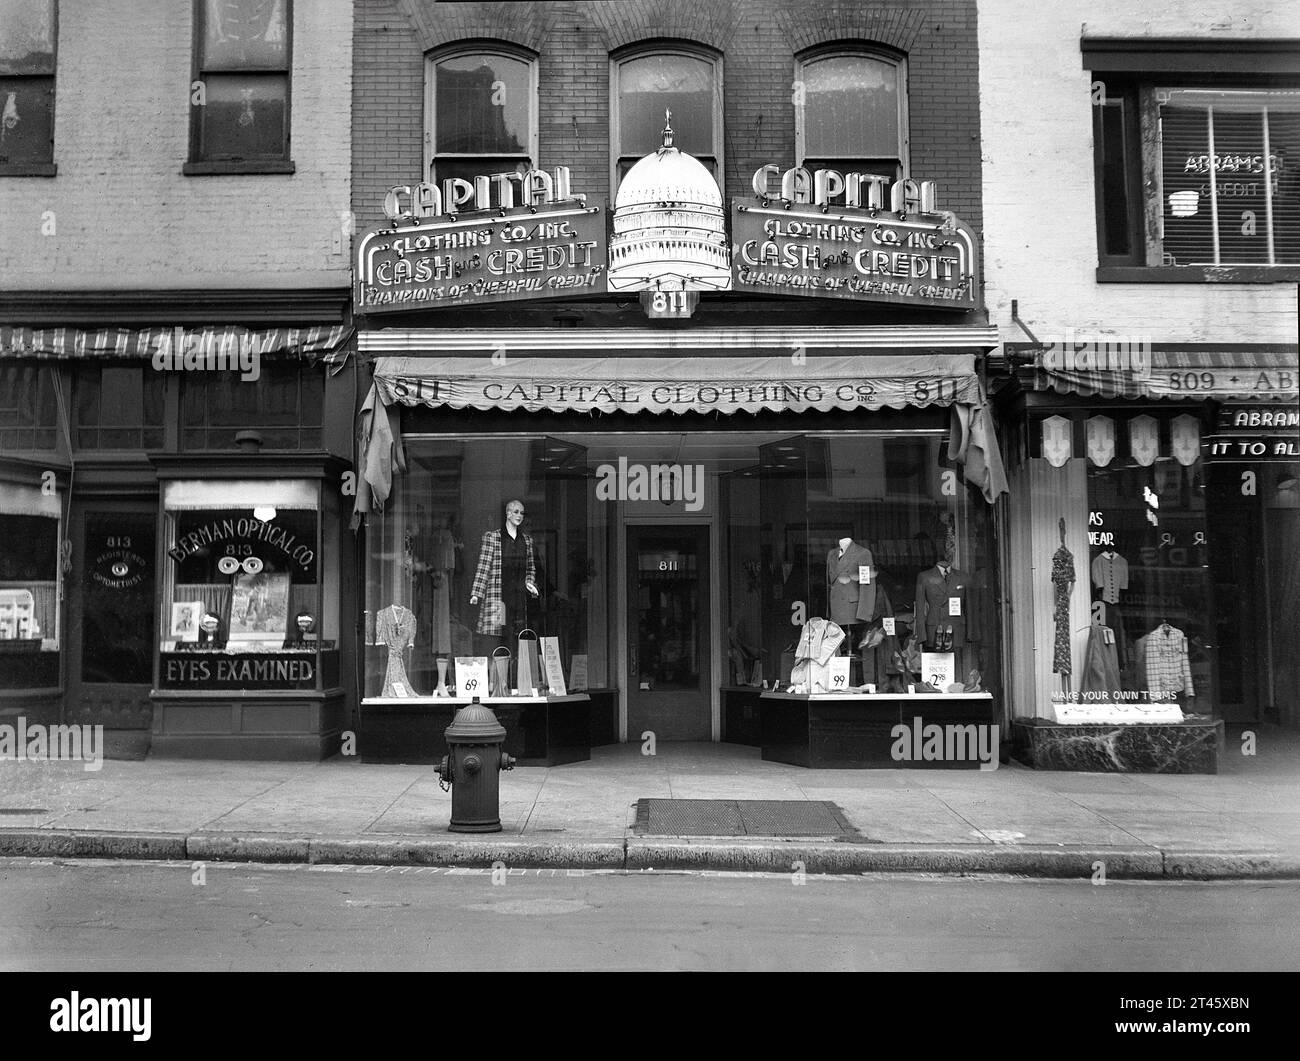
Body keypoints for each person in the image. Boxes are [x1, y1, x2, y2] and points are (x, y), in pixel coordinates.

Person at [469, 499, 539, 647]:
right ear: (508, 513)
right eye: (516, 512)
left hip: (519, 597)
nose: (519, 515)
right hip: (498, 595)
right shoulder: (493, 537)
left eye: (521, 513)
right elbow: (484, 566)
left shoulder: (527, 541)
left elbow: (531, 568)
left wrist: (529, 582)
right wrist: (476, 593)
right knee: (497, 638)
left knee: (518, 636)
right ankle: (497, 669)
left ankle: (516, 669)